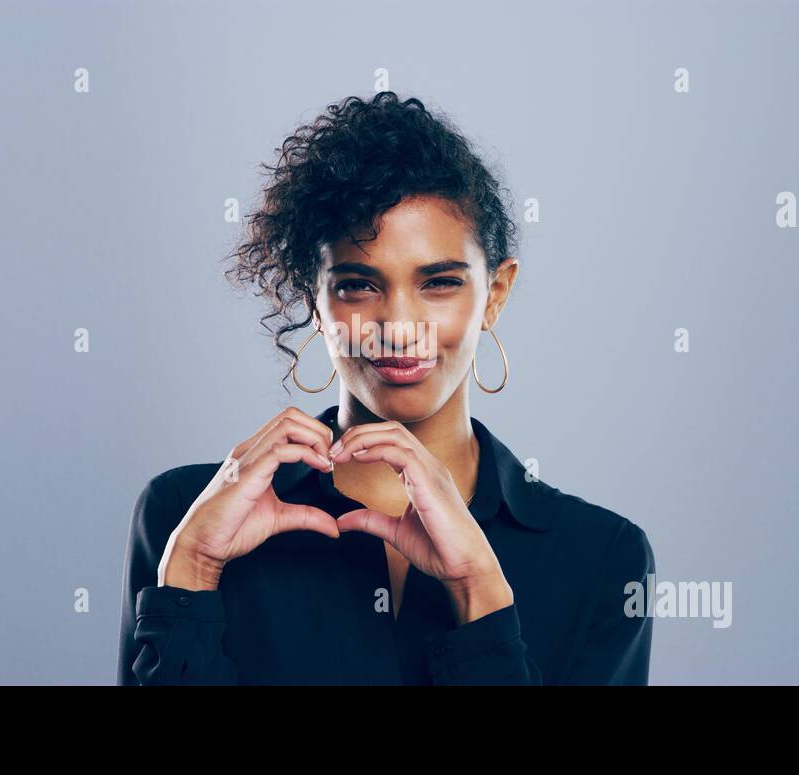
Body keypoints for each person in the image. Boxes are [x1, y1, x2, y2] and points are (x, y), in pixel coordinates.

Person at [118, 92, 655, 685]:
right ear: (313, 302)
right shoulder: (185, 514)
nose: (400, 327)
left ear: (495, 295)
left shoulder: (604, 557)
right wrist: (192, 568)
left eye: (440, 282)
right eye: (357, 286)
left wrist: (479, 593)